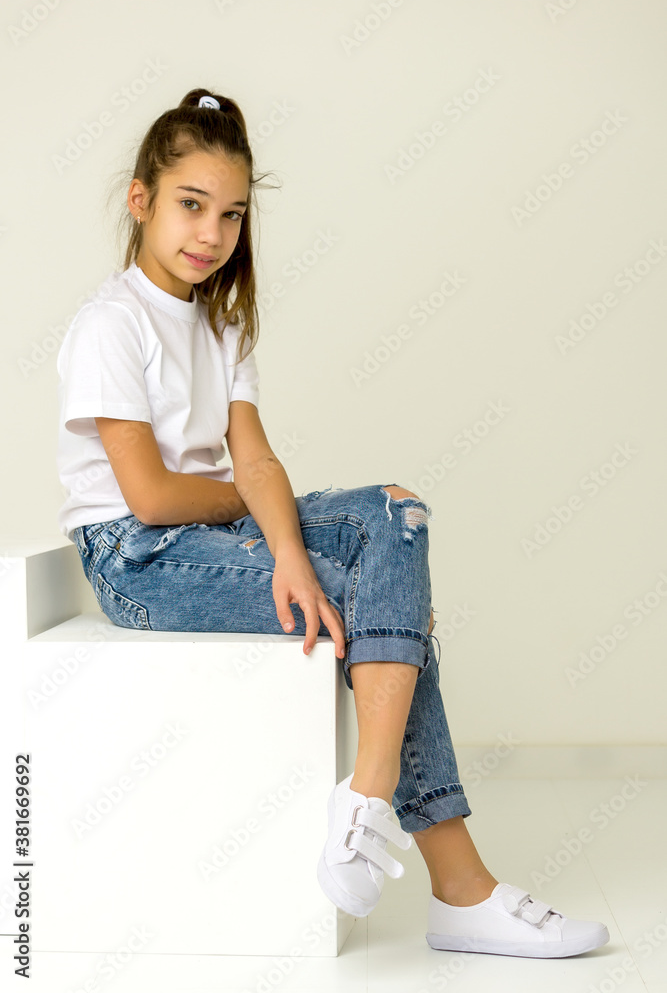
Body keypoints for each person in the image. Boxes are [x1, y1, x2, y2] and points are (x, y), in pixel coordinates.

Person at [56, 87, 610, 959]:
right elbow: (155, 498)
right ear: (141, 201)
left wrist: (285, 547)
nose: (211, 234)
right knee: (382, 592)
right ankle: (458, 887)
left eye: (231, 215)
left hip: (210, 535)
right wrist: (267, 529)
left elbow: (260, 462)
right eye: (190, 206)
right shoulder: (109, 326)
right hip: (138, 561)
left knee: (395, 514)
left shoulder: (220, 324)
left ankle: (366, 795)